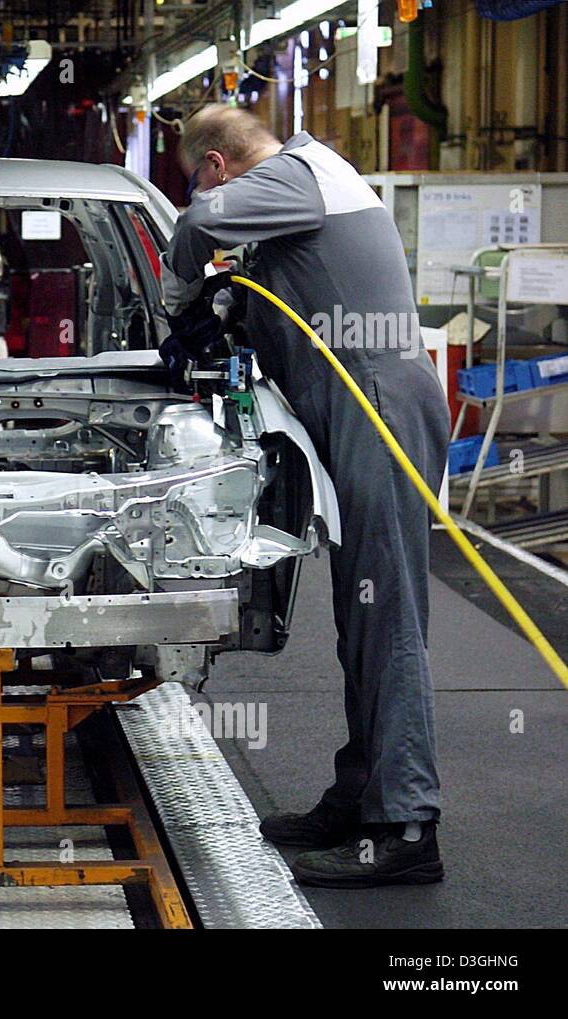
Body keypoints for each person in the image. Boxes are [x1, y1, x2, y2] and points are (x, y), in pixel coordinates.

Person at [160, 105, 450, 888]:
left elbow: (196, 230)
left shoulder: (299, 174)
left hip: (377, 405)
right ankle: (363, 793)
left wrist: (175, 297)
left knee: (386, 614)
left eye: (199, 179)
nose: (204, 192)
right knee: (364, 614)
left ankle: (406, 826)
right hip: (358, 404)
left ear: (216, 165)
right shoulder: (300, 196)